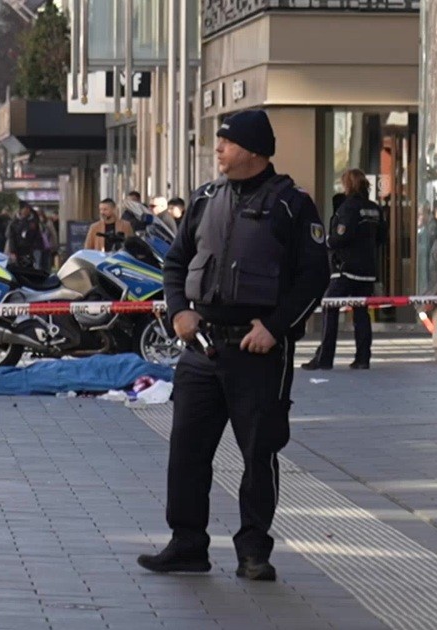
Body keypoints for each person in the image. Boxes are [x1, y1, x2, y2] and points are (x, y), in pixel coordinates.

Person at [138, 109, 329, 581]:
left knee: (258, 453)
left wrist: (275, 328)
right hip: (201, 350)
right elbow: (175, 263)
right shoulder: (205, 199)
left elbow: (314, 278)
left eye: (227, 141)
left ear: (255, 150)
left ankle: (254, 552)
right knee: (186, 451)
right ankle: (187, 544)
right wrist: (179, 310)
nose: (218, 149)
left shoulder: (292, 205)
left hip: (258, 353)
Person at [303, 168, 384, 370]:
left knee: (329, 306)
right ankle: (363, 358)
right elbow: (381, 238)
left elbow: (341, 236)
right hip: (367, 270)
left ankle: (325, 358)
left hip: (346, 268)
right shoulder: (374, 209)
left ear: (348, 184)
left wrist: (327, 242)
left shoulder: (348, 207)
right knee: (361, 312)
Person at [4, 202, 44, 268]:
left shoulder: (34, 221)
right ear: (21, 210)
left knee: (34, 267)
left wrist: (36, 246)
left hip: (32, 249)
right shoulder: (14, 222)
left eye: (28, 208)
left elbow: (38, 235)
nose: (27, 210)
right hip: (19, 250)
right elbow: (11, 237)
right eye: (25, 208)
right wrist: (13, 251)